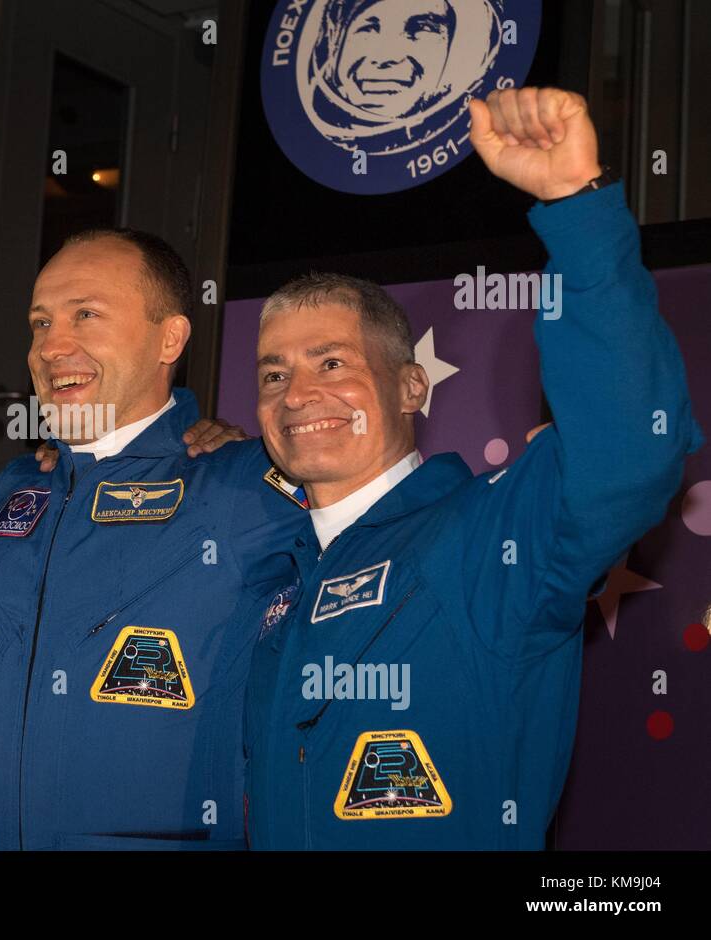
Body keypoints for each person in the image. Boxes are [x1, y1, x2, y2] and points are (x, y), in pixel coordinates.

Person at [243, 86, 700, 849]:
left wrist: (575, 209)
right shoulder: (273, 583)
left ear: (411, 384)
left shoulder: (488, 537)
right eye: (272, 374)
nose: (300, 395)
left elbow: (628, 449)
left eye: (332, 362)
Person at [0, 229, 308, 850]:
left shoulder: (244, 485)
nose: (51, 346)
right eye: (40, 323)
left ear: (169, 337)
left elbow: (401, 532)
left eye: (85, 315)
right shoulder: (14, 487)